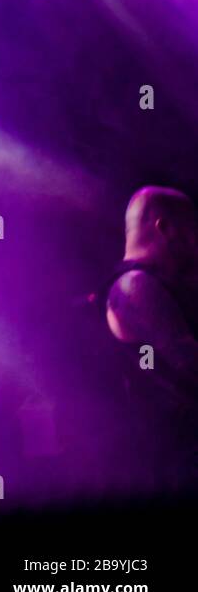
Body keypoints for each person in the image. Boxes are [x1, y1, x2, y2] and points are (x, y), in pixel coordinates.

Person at [103, 186, 198, 493]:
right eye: (192, 229)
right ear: (164, 227)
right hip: (177, 466)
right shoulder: (134, 286)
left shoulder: (151, 284)